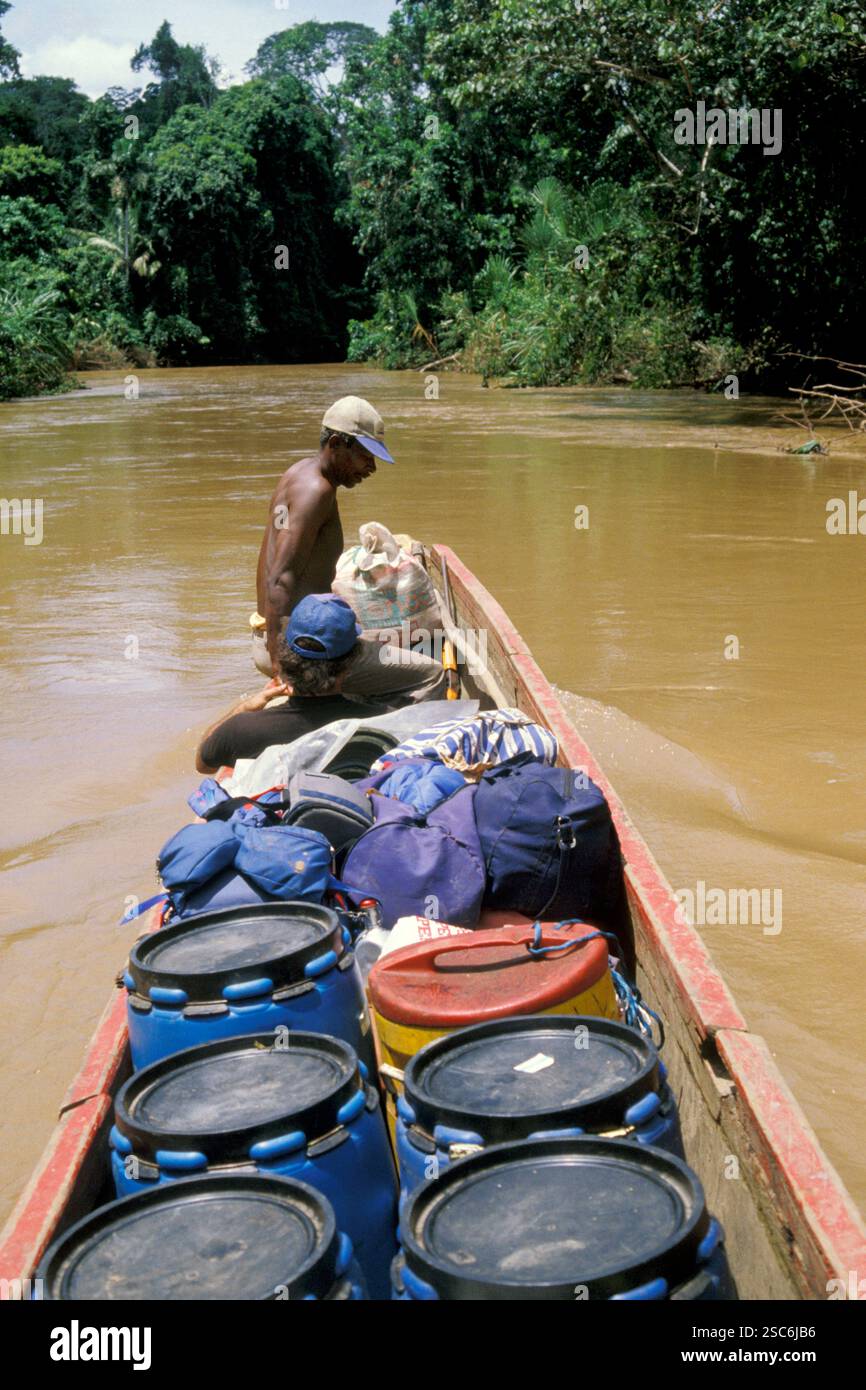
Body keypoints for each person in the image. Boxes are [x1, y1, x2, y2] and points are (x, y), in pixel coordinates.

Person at [251, 395, 446, 704]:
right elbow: (280, 579)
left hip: (280, 636)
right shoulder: (317, 491)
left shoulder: (299, 472)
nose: (372, 467)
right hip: (304, 653)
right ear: (337, 443)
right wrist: (281, 666)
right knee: (431, 671)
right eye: (365, 456)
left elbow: (278, 566)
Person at [198, 595, 388, 772]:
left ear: (285, 657)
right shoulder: (382, 719)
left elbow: (203, 765)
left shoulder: (240, 730)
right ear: (353, 660)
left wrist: (244, 708)